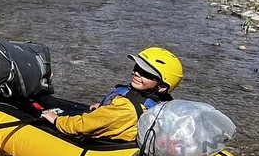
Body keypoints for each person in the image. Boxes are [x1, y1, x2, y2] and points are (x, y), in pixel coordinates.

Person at [39, 47, 182, 140]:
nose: (136, 73)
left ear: (162, 86)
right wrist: (105, 108)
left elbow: (82, 126)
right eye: (136, 67)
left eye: (145, 73)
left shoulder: (126, 108)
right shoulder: (163, 103)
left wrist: (57, 120)